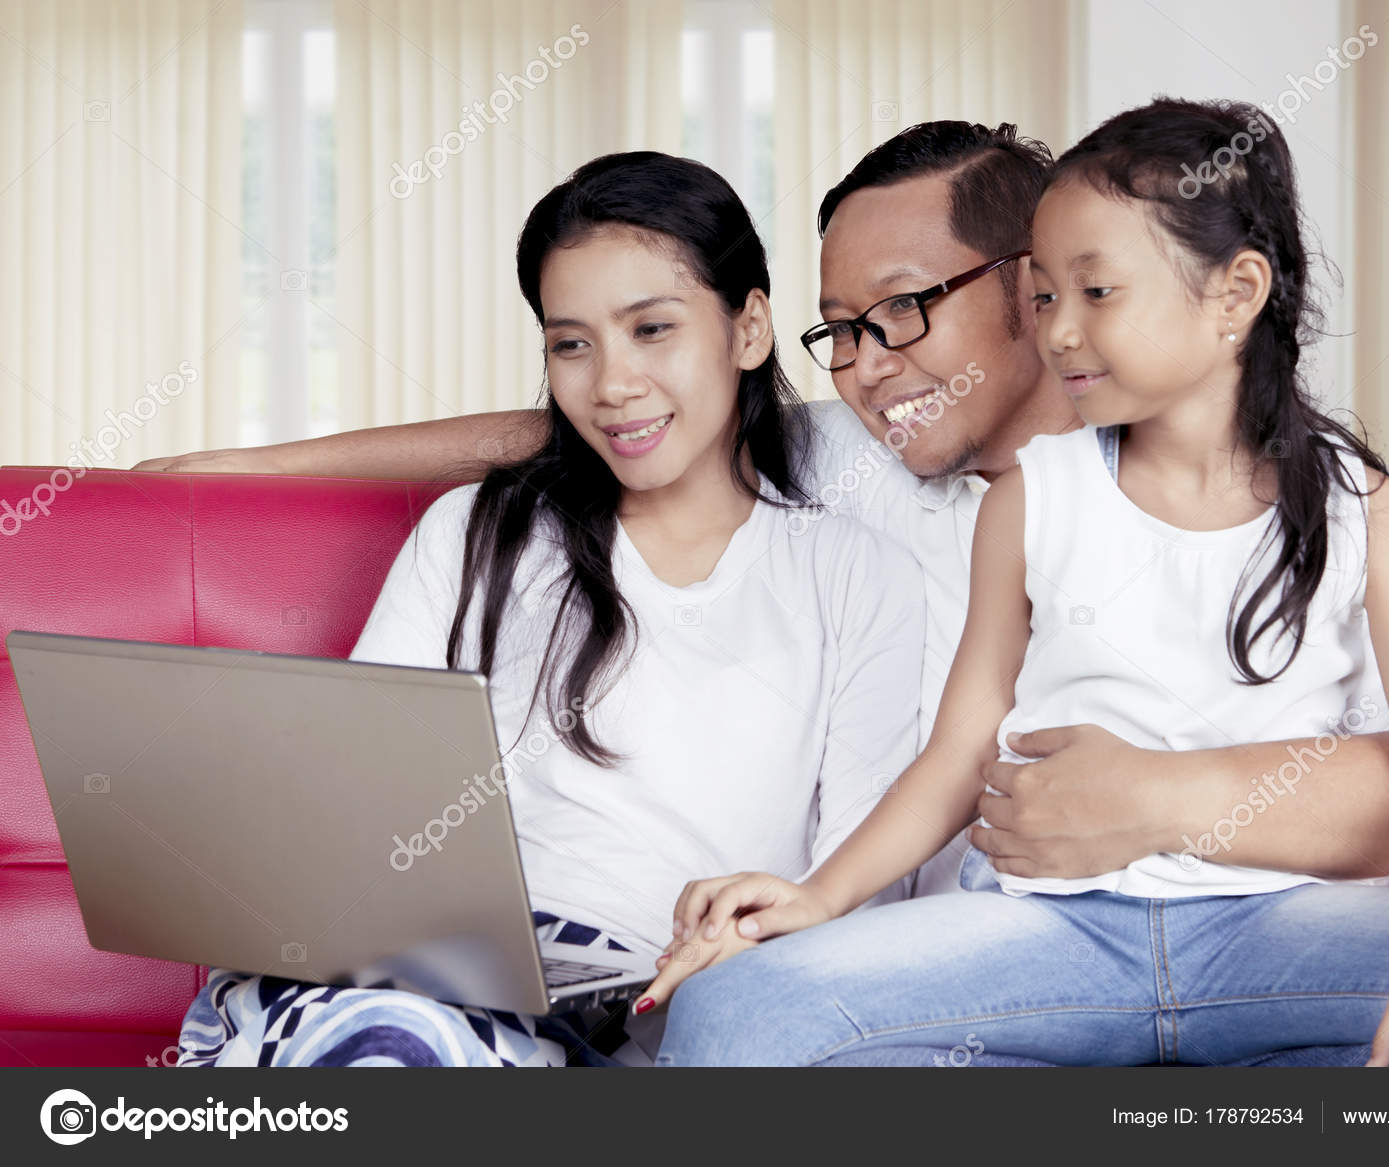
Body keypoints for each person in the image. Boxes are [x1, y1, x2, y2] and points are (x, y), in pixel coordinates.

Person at [143, 121, 1389, 1066]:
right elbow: (579, 416)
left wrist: (1173, 796)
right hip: (970, 970)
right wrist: (217, 472)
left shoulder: (1313, 496)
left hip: (1219, 933)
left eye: (901, 311)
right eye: (838, 331)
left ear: (1039, 285)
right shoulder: (852, 454)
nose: (866, 363)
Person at [641, 99, 1389, 1068]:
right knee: (735, 1018)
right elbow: (955, 756)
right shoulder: (1002, 494)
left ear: (1233, 295)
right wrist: (816, 895)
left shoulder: (1359, 511)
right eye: (1048, 297)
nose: (865, 365)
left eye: (1091, 293)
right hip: (1051, 940)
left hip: (1277, 930)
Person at [173, 152, 924, 1067]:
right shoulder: (475, 533)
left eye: (652, 329)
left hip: (652, 1004)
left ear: (751, 327)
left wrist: (749, 940)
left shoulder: (854, 574)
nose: (611, 385)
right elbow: (350, 816)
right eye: (572, 344)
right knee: (396, 1031)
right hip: (424, 976)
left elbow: (861, 885)